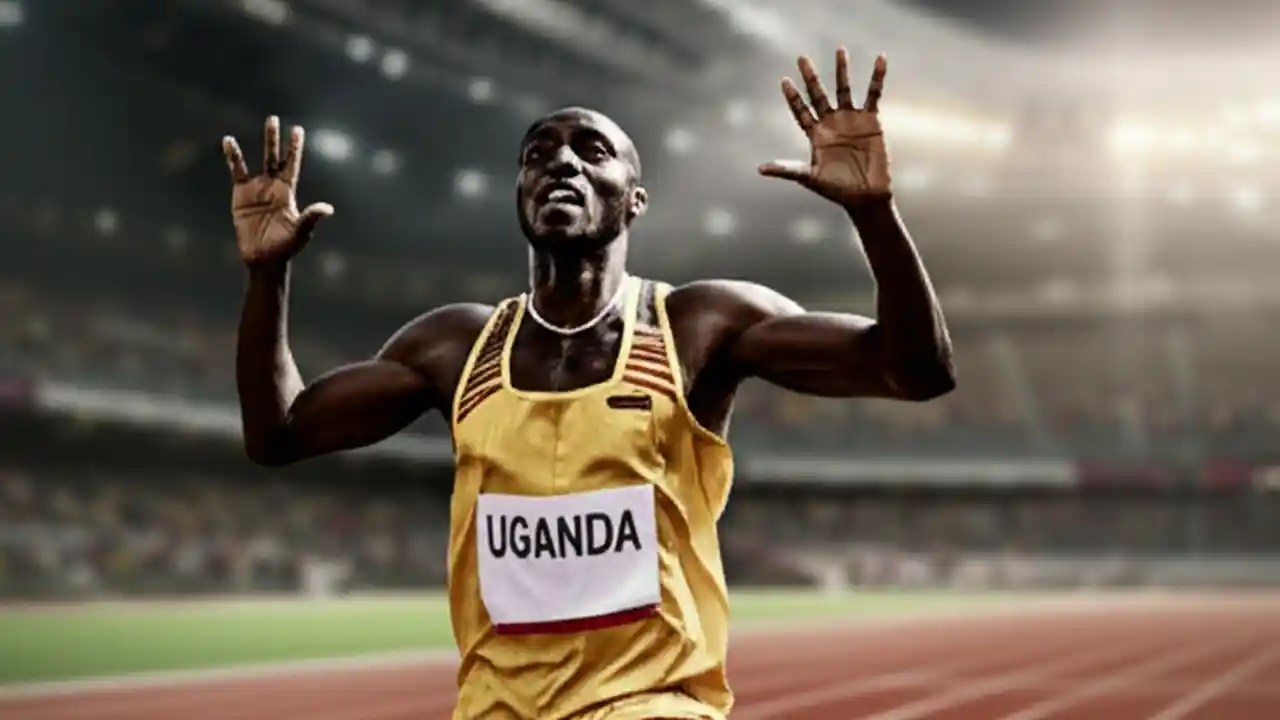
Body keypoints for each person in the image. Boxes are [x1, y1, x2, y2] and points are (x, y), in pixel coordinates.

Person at [223, 47, 953, 720]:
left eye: (590, 151)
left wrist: (874, 214)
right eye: (538, 154)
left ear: (634, 199)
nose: (561, 163)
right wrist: (267, 275)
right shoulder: (456, 347)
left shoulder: (697, 326)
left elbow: (912, 371)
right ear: (519, 194)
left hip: (652, 705)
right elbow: (278, 434)